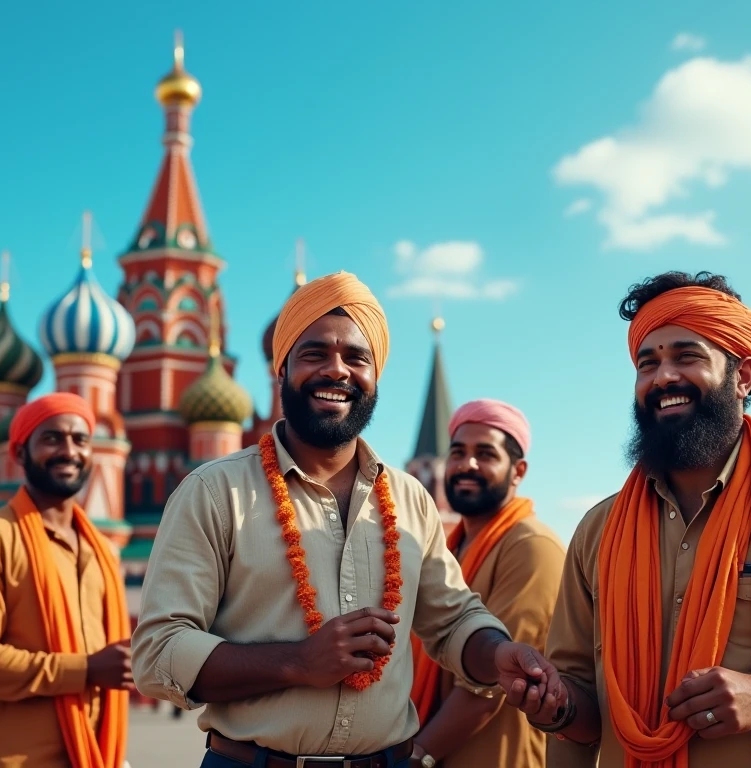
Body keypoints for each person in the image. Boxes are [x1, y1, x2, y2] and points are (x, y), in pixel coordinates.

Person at [131, 271, 558, 768]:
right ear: (282, 368)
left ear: (375, 378)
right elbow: (159, 653)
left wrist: (497, 654)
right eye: (314, 354)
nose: (337, 370)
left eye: (357, 357)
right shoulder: (214, 492)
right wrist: (299, 662)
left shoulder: (409, 499)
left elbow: (454, 620)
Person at [509, 271, 751, 768]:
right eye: (647, 364)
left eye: (686, 356)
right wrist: (554, 704)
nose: (663, 377)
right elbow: (585, 710)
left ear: (744, 375)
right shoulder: (598, 530)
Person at [0, 392, 134, 768]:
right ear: (18, 454)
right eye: (51, 438)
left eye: (80, 440)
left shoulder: (101, 552)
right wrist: (86, 670)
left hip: (95, 756)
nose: (68, 451)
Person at [410, 399, 566, 767]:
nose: (467, 464)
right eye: (458, 452)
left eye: (485, 454)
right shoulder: (447, 550)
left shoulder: (531, 548)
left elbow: (493, 684)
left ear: (518, 471)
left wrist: (414, 755)